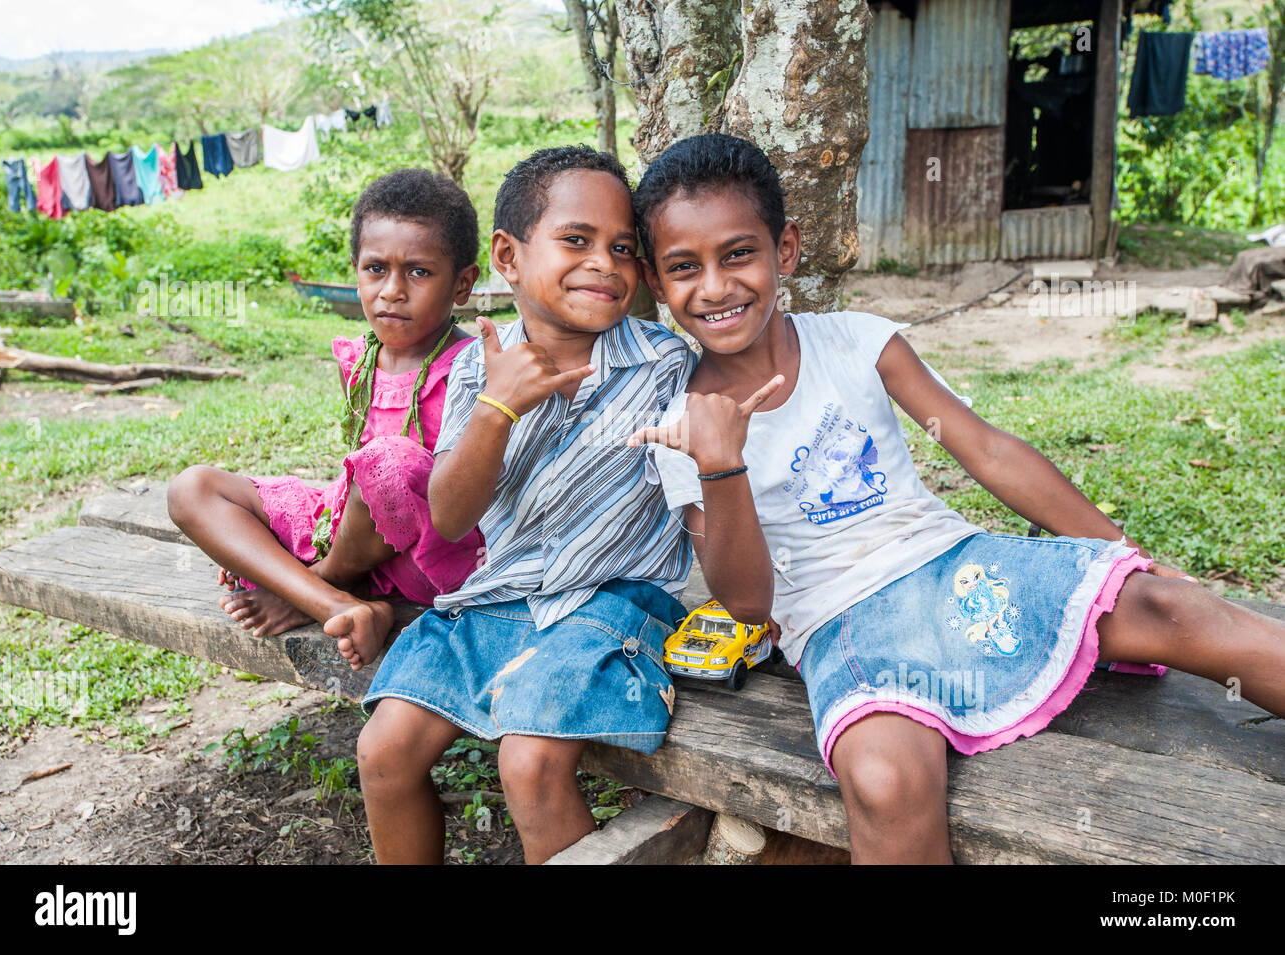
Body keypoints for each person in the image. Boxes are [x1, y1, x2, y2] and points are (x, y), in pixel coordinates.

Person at [628, 133, 1285, 864]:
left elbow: (988, 449)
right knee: (884, 778)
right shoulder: (678, 425)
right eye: (685, 267)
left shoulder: (858, 342)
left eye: (738, 253)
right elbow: (749, 604)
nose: (715, 286)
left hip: (958, 568)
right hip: (842, 624)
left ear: (785, 249)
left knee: (1175, 607)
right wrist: (722, 466)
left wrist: (1124, 553)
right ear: (658, 282)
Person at [356, 145, 697, 864]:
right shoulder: (480, 364)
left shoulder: (664, 362)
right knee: (383, 749)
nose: (605, 263)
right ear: (508, 257)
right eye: (577, 240)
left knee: (529, 760)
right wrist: (496, 409)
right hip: (499, 597)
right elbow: (447, 517)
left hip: (617, 602)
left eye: (623, 248)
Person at [167, 168, 485, 670]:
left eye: (419, 272)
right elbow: (352, 475)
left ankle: (311, 589)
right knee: (193, 489)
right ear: (355, 269)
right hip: (356, 536)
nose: (392, 291)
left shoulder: (473, 370)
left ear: (463, 283)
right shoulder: (357, 357)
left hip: (430, 555)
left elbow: (449, 490)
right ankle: (341, 603)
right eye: (375, 269)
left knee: (391, 461)